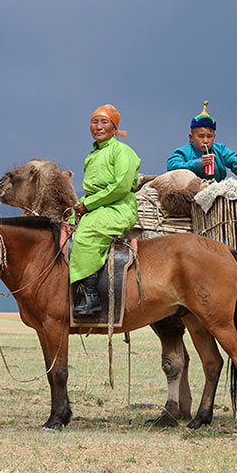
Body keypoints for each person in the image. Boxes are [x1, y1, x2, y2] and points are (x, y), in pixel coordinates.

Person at [70, 104, 141, 315]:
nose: (98, 126)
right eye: (94, 121)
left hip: (118, 207)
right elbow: (92, 190)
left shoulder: (123, 151)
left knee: (86, 232)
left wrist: (88, 206)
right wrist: (78, 210)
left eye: (104, 122)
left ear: (114, 127)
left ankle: (91, 296)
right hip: (97, 205)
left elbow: (120, 186)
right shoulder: (92, 155)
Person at [167, 100, 237, 181]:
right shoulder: (182, 152)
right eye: (201, 136)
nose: (206, 141)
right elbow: (172, 167)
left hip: (216, 189)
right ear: (191, 138)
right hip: (191, 191)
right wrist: (198, 163)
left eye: (210, 136)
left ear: (214, 136)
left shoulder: (221, 150)